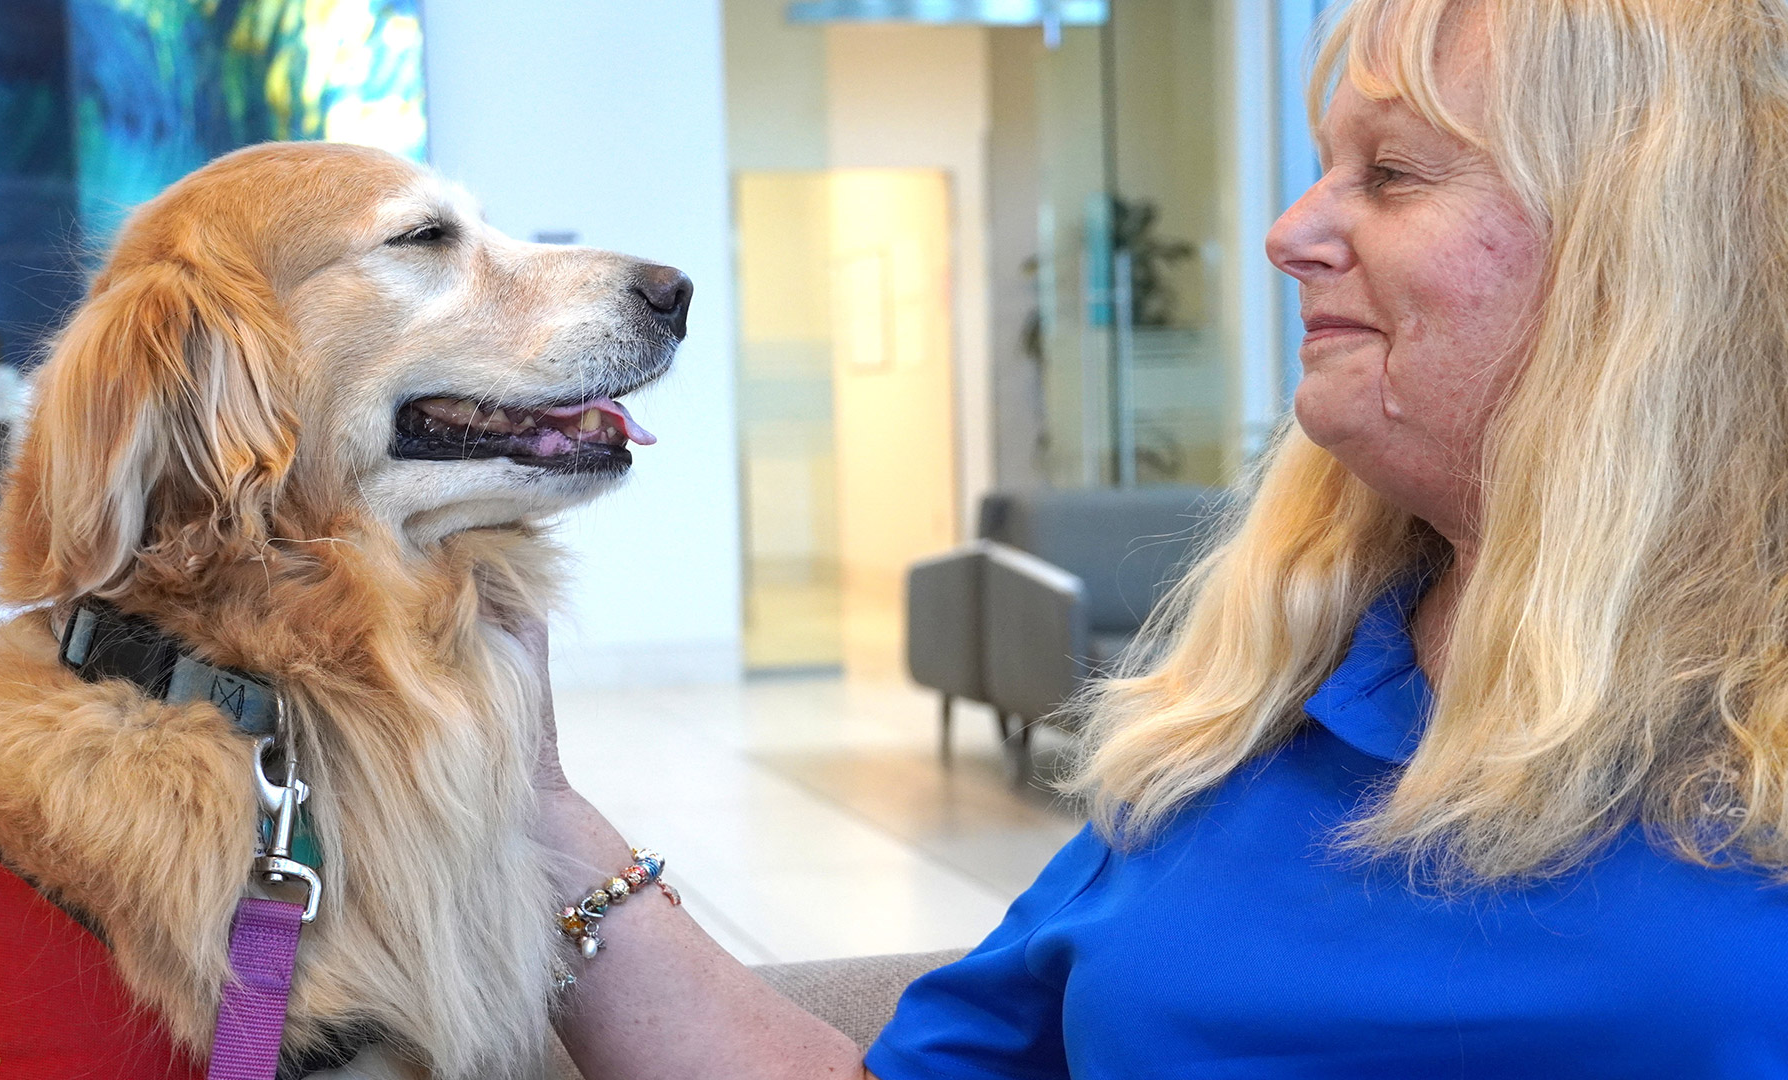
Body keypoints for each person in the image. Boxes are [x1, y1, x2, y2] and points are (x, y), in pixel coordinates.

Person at [527, 0, 1788, 1075]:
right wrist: (536, 800)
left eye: (1392, 176)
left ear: (1651, 257)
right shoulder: (1264, 699)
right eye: (1324, 166)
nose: (1290, 234)